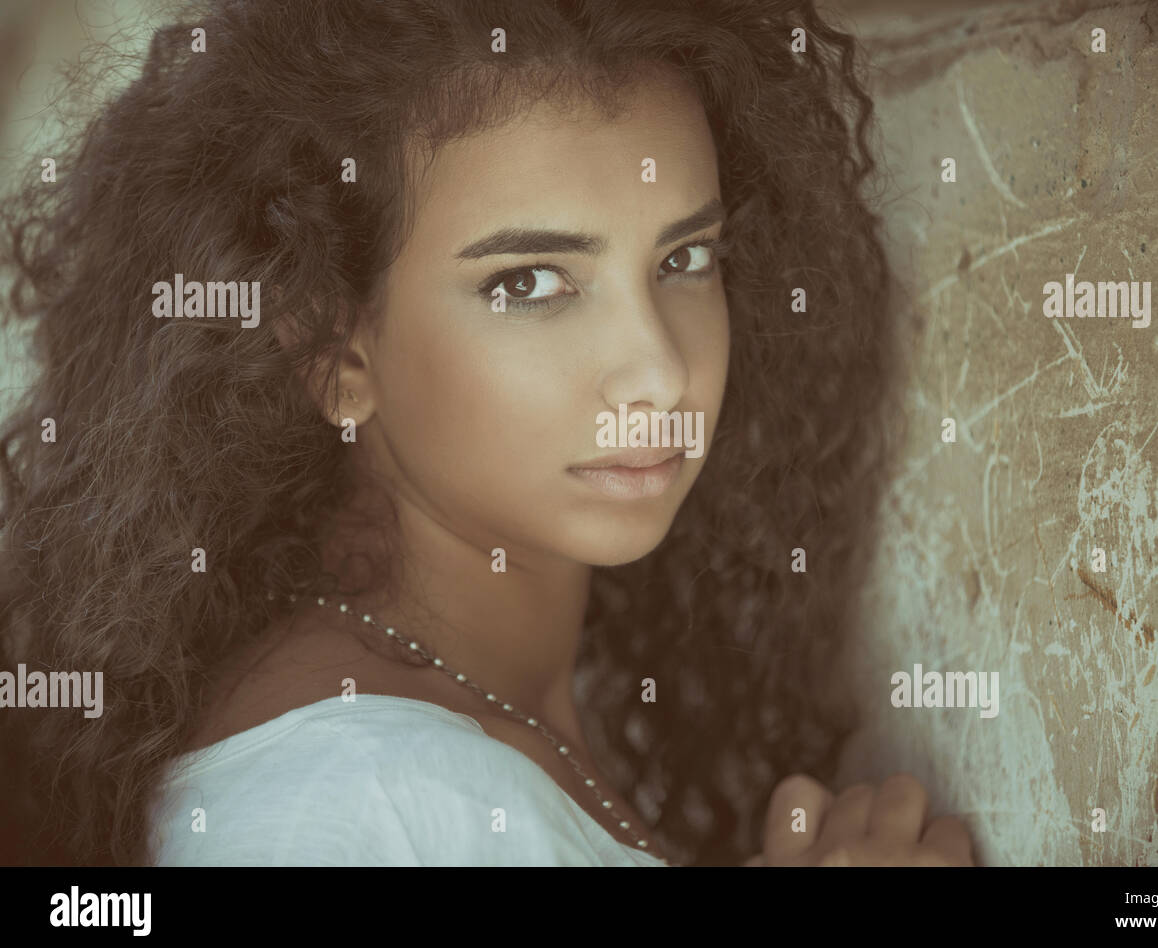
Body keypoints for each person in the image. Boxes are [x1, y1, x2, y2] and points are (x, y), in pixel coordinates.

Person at [0, 0, 970, 867]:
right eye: (528, 283)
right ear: (336, 350)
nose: (658, 370)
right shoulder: (351, 800)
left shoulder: (557, 695)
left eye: (685, 256)